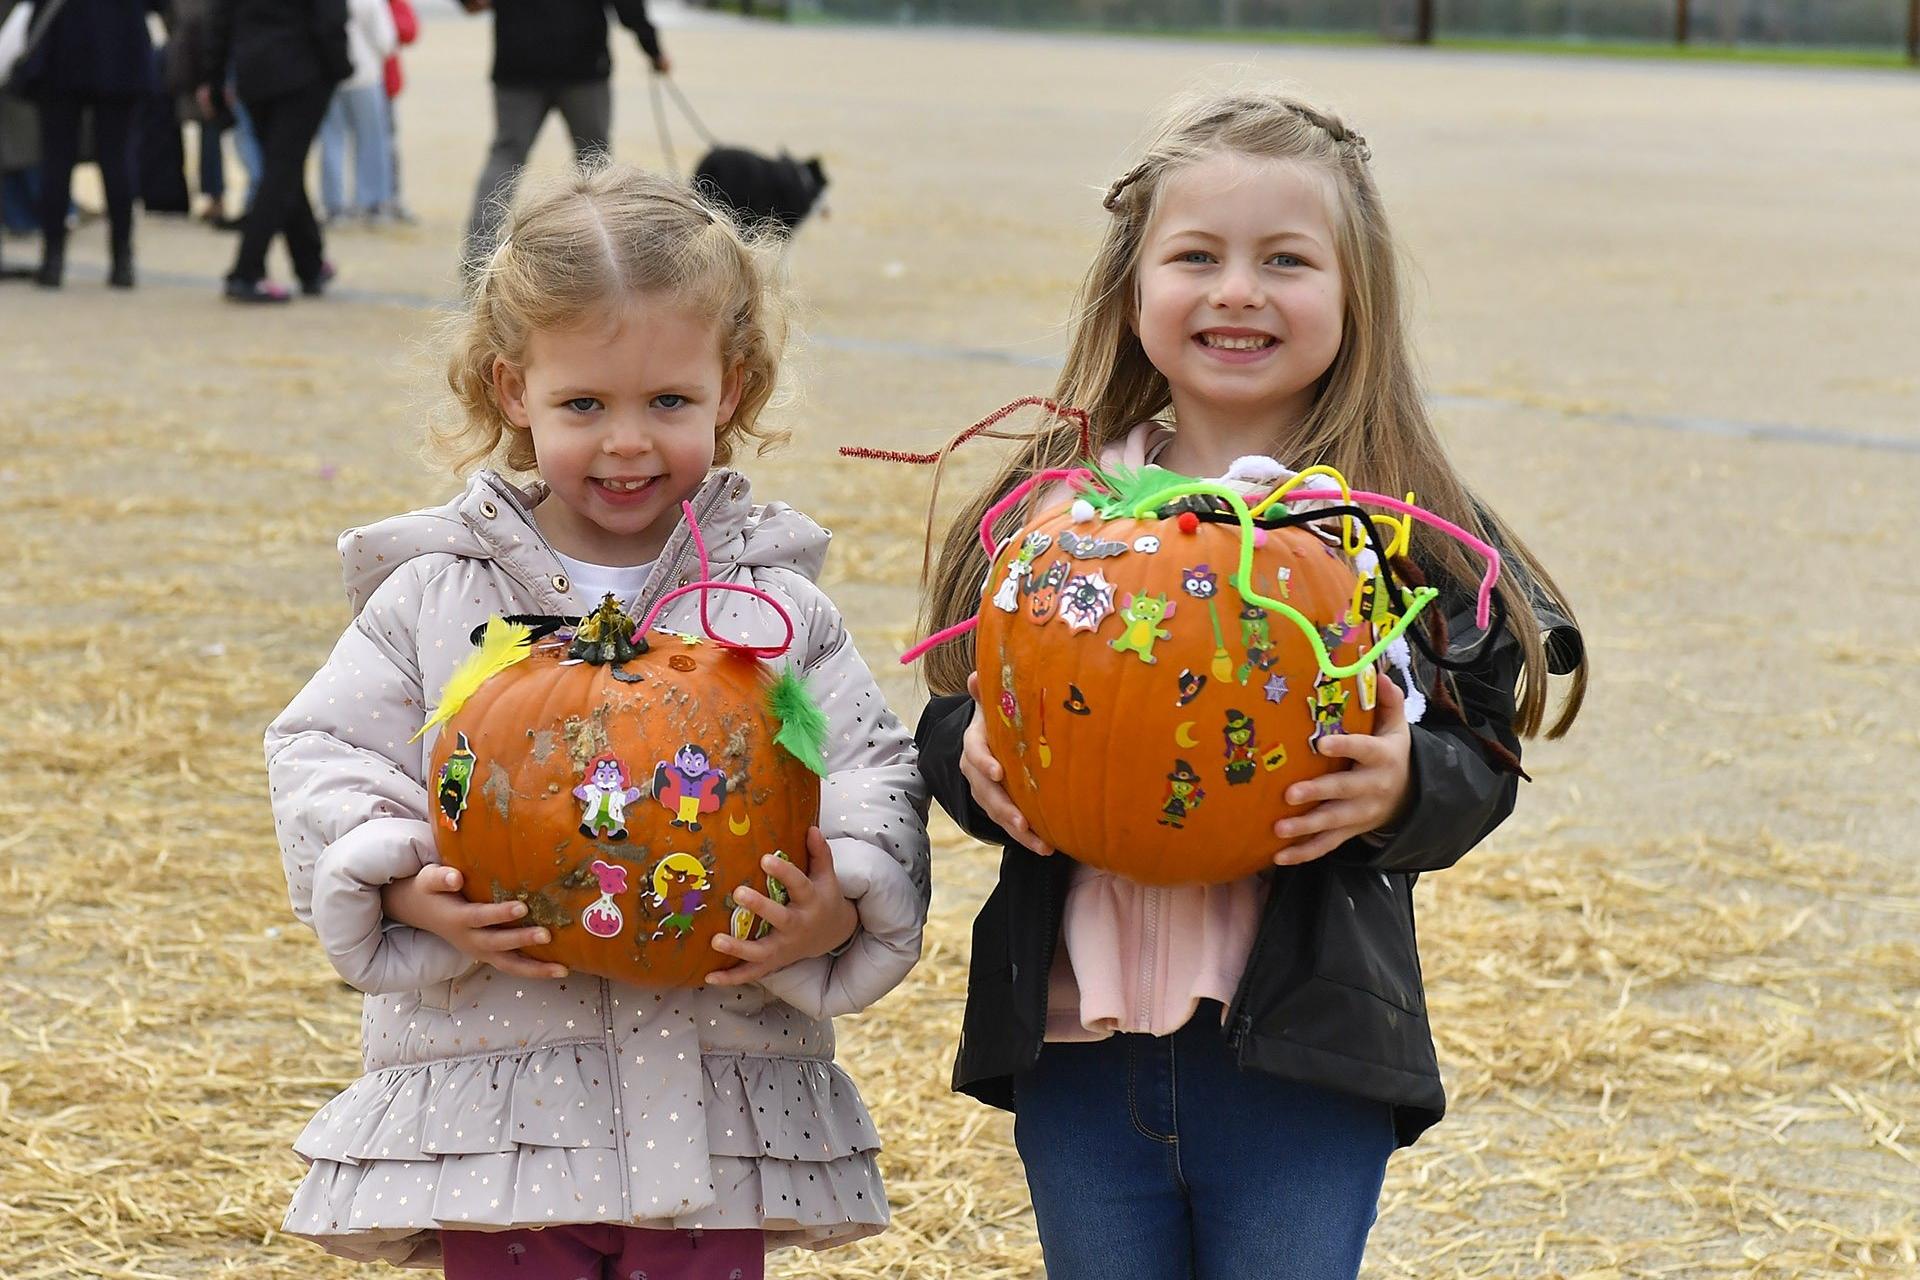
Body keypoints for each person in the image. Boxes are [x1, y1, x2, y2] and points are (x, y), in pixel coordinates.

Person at [913, 87, 1588, 1280]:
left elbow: (1485, 749)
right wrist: (965, 754)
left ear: (1353, 298)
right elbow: (969, 700)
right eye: (1197, 256)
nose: (1237, 290)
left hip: (1300, 1061)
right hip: (1079, 1044)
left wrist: (1399, 786)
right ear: (1134, 289)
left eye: (1285, 259)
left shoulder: (1391, 525)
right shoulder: (1059, 505)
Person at [262, 163, 930, 1276]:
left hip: (722, 1095)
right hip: (504, 1104)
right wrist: (393, 876)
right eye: (585, 404)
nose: (628, 441)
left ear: (735, 385)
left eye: (668, 402)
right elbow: (324, 747)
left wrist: (842, 895)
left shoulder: (765, 613)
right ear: (512, 388)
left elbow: (863, 761)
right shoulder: (439, 595)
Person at [458, 0, 668, 281]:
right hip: (582, 61)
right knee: (595, 164)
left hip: (518, 60)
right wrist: (652, 48)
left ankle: (478, 258)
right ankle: (603, 257)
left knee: (505, 157)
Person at [199, 0, 349, 302]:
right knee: (281, 173)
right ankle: (246, 271)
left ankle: (310, 264)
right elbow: (330, 18)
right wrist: (339, 68)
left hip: (254, 74)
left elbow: (220, 19)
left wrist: (213, 79)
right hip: (302, 72)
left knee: (283, 167)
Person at [11, 0, 167, 288]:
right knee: (118, 158)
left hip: (61, 46)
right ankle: (122, 260)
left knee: (56, 159)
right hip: (122, 45)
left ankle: (52, 259)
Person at [315, 0, 390, 222]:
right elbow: (385, 40)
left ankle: (333, 204)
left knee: (331, 140)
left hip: (330, 76)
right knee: (371, 140)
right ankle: (370, 202)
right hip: (365, 76)